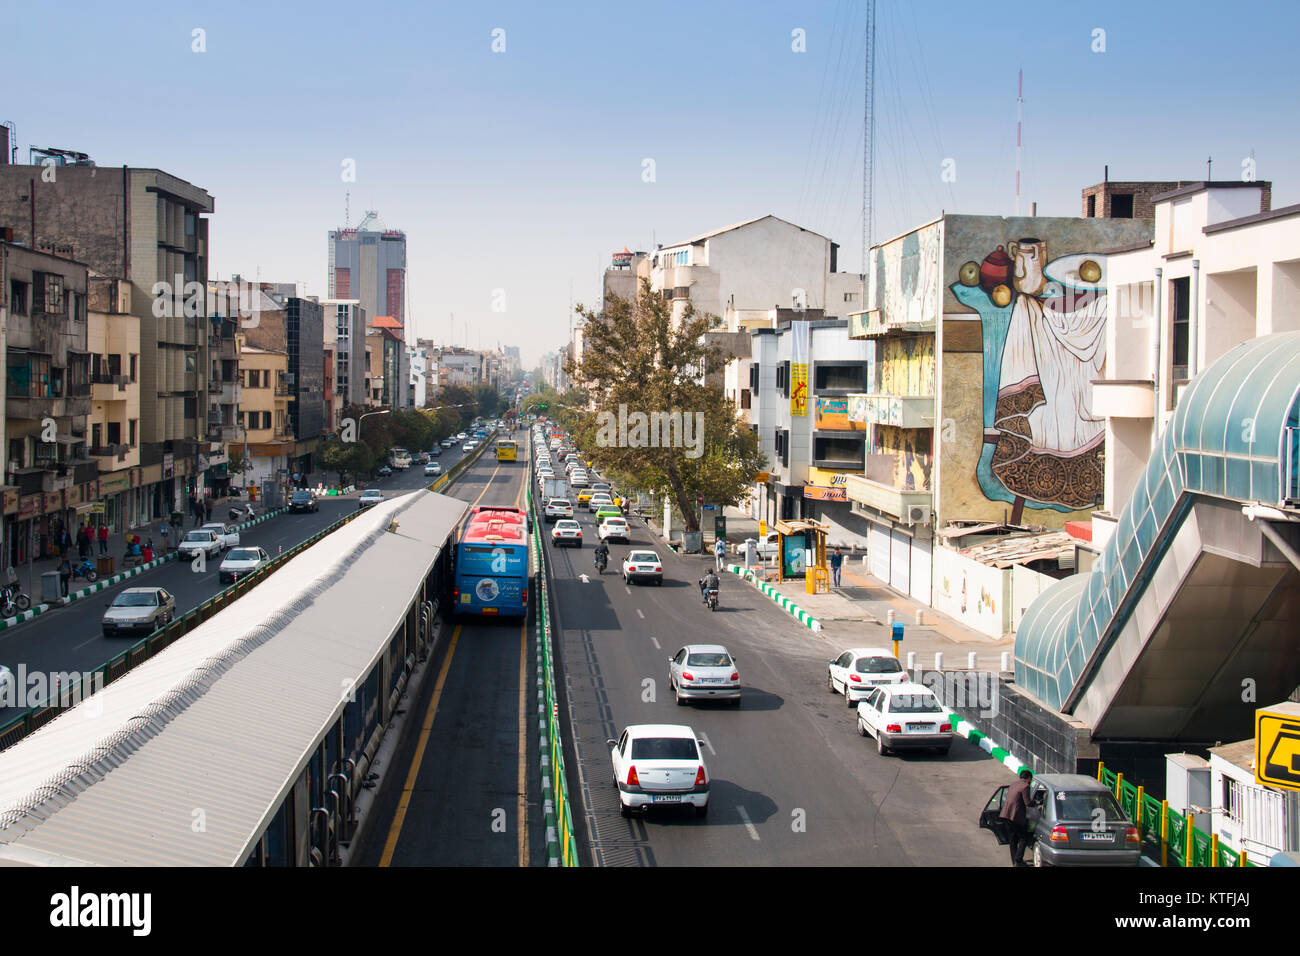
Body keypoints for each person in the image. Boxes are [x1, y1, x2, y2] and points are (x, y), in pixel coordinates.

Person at [999, 768, 1035, 866]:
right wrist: (1036, 803)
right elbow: (1027, 802)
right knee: (1024, 838)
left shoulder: (1013, 784)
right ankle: (1018, 860)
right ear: (1028, 778)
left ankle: (1014, 861)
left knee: (1013, 839)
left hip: (1006, 815)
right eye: (1030, 780)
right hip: (1016, 817)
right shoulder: (1025, 786)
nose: (1030, 782)